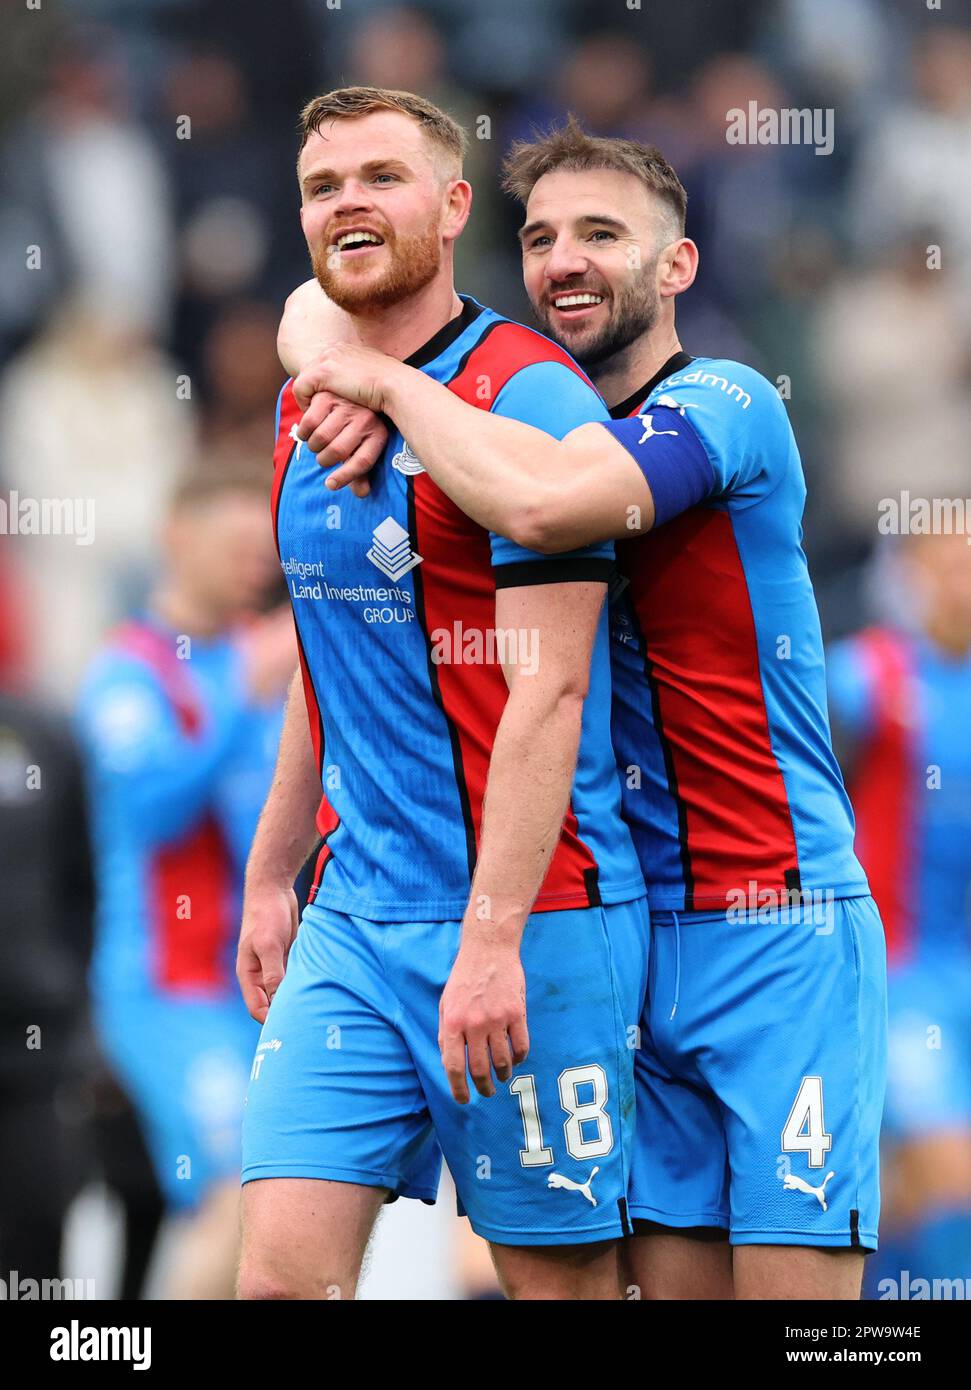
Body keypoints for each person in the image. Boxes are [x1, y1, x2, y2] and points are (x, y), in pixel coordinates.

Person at [285, 117, 888, 1300]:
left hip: (777, 924)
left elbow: (556, 509)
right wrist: (328, 338)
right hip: (629, 933)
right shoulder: (519, 408)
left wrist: (378, 378)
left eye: (602, 234)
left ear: (677, 268)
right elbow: (319, 312)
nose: (563, 258)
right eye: (542, 236)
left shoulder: (720, 404)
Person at [236, 87, 651, 1302]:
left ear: (454, 205)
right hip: (355, 924)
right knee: (275, 1285)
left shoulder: (528, 402)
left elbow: (549, 695)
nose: (348, 203)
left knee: (552, 1287)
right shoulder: (303, 402)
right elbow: (328, 665)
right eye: (323, 187)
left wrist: (488, 946)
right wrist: (270, 875)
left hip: (534, 922)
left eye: (381, 176)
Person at [76, 459, 293, 1299]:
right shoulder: (128, 672)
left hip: (267, 983)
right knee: (237, 1187)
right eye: (236, 546)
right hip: (167, 986)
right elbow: (155, 809)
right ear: (177, 537)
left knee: (285, 1194)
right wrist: (243, 688)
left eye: (262, 552)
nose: (254, 567)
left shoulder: (266, 658)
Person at [828, 533, 971, 1293]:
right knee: (949, 1176)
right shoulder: (865, 678)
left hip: (963, 967)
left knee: (917, 1197)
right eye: (950, 564)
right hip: (898, 976)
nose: (963, 582)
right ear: (910, 574)